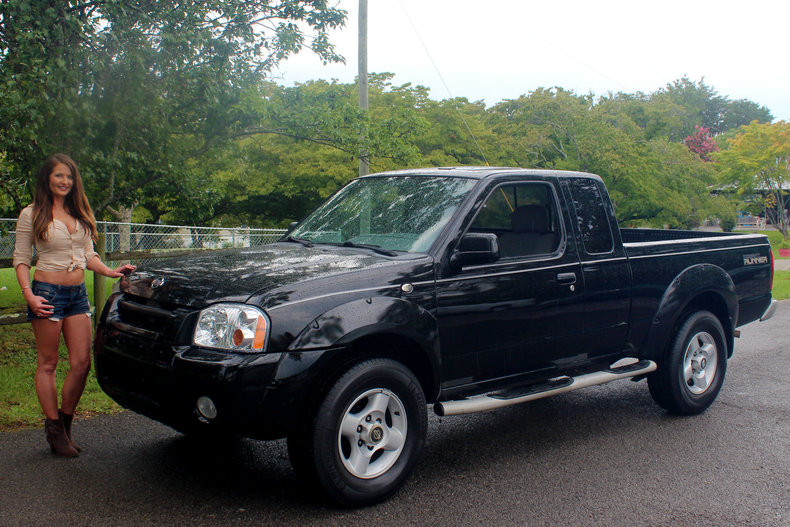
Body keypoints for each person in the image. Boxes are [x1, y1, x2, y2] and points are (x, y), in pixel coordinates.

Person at [12, 154, 136, 457]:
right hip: (46, 293)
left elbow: (88, 255)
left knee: (82, 363)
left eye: (68, 176)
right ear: (48, 179)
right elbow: (20, 258)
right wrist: (29, 294)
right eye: (58, 176)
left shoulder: (80, 212)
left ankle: (65, 425)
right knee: (48, 362)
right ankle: (54, 429)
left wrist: (111, 271)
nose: (64, 181)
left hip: (77, 295)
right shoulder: (32, 213)